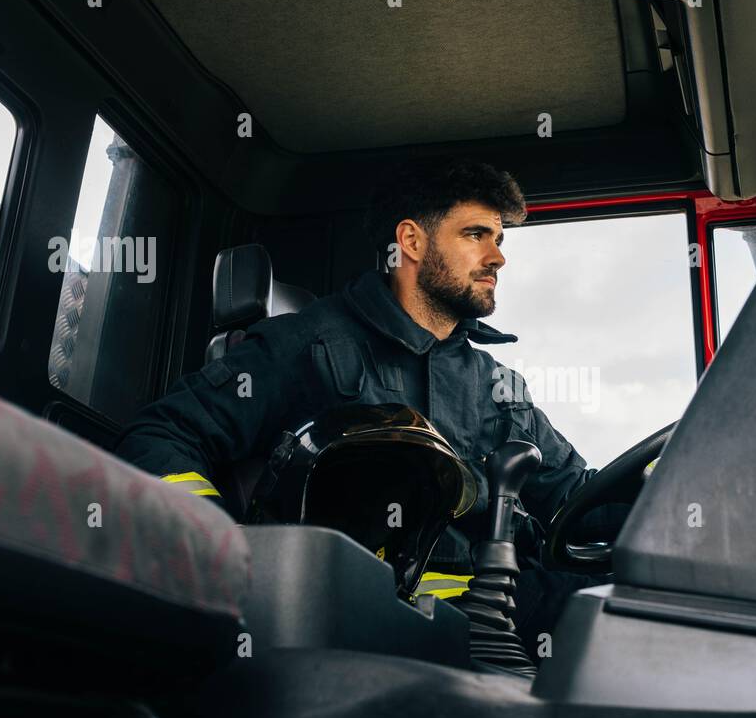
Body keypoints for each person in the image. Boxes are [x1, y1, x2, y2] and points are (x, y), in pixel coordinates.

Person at [113, 157, 600, 653]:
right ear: (411, 242)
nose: (498, 257)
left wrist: (666, 503)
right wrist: (221, 546)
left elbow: (579, 496)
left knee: (639, 608)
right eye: (476, 234)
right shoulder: (311, 344)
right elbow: (162, 433)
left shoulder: (498, 385)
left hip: (506, 603)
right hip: (370, 620)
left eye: (500, 239)